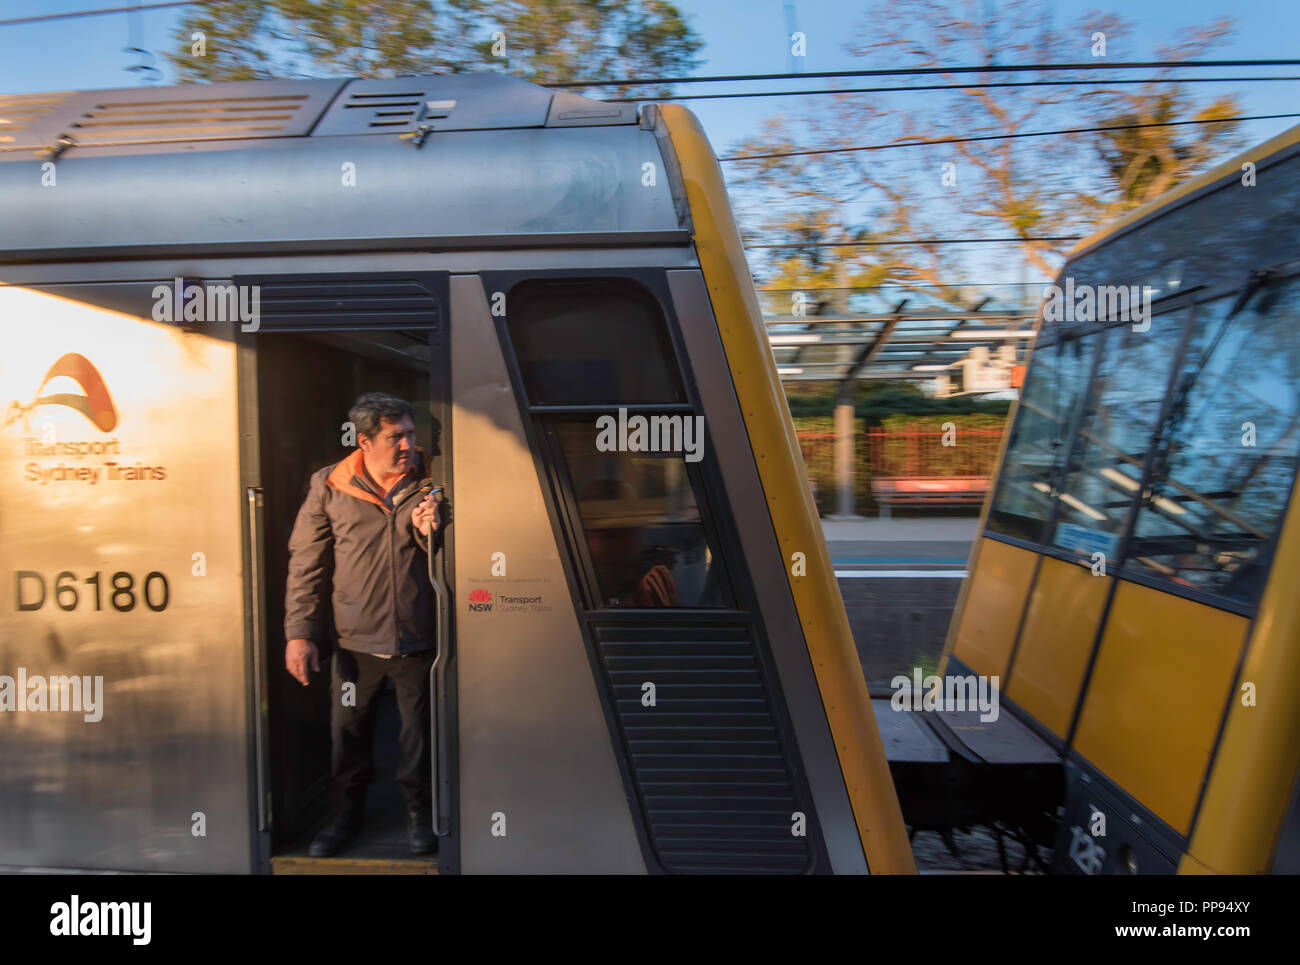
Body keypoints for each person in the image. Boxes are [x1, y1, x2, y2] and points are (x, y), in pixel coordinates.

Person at [282, 392, 448, 858]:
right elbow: (306, 563)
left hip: (417, 636)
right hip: (353, 642)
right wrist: (299, 634)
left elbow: (458, 554)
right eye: (396, 437)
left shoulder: (432, 478)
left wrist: (431, 530)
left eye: (411, 434)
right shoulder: (330, 485)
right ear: (364, 441)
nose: (408, 445)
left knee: (419, 736)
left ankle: (421, 814)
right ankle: (343, 817)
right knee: (348, 738)